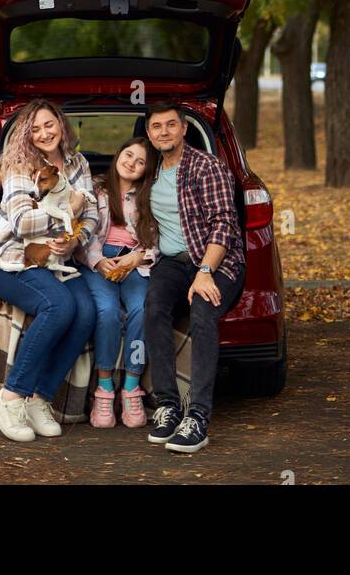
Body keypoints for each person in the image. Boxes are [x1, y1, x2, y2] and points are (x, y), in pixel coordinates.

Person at [0, 97, 97, 443]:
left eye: (49, 124)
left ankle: (40, 397)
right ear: (26, 134)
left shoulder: (77, 163)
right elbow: (23, 223)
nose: (43, 133)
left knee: (86, 312)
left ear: (61, 124)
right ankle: (9, 398)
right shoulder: (19, 166)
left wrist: (75, 239)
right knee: (59, 305)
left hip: (57, 261)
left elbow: (93, 213)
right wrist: (67, 213)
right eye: (35, 128)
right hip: (8, 259)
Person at [143, 103, 245, 454]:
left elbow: (224, 224)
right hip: (172, 263)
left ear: (184, 129)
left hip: (217, 260)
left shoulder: (207, 166)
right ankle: (168, 405)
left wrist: (205, 271)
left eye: (171, 124)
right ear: (149, 134)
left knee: (203, 309)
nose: (164, 131)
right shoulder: (150, 173)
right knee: (154, 306)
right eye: (157, 126)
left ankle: (198, 417)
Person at [74, 136, 159, 428]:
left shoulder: (151, 195)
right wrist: (97, 261)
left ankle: (132, 386)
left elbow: (163, 239)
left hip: (136, 262)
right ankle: (105, 388)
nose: (131, 163)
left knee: (141, 308)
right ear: (118, 153)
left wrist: (139, 257)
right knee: (107, 311)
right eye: (129, 154)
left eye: (140, 162)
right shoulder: (95, 189)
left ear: (147, 171)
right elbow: (81, 234)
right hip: (98, 262)